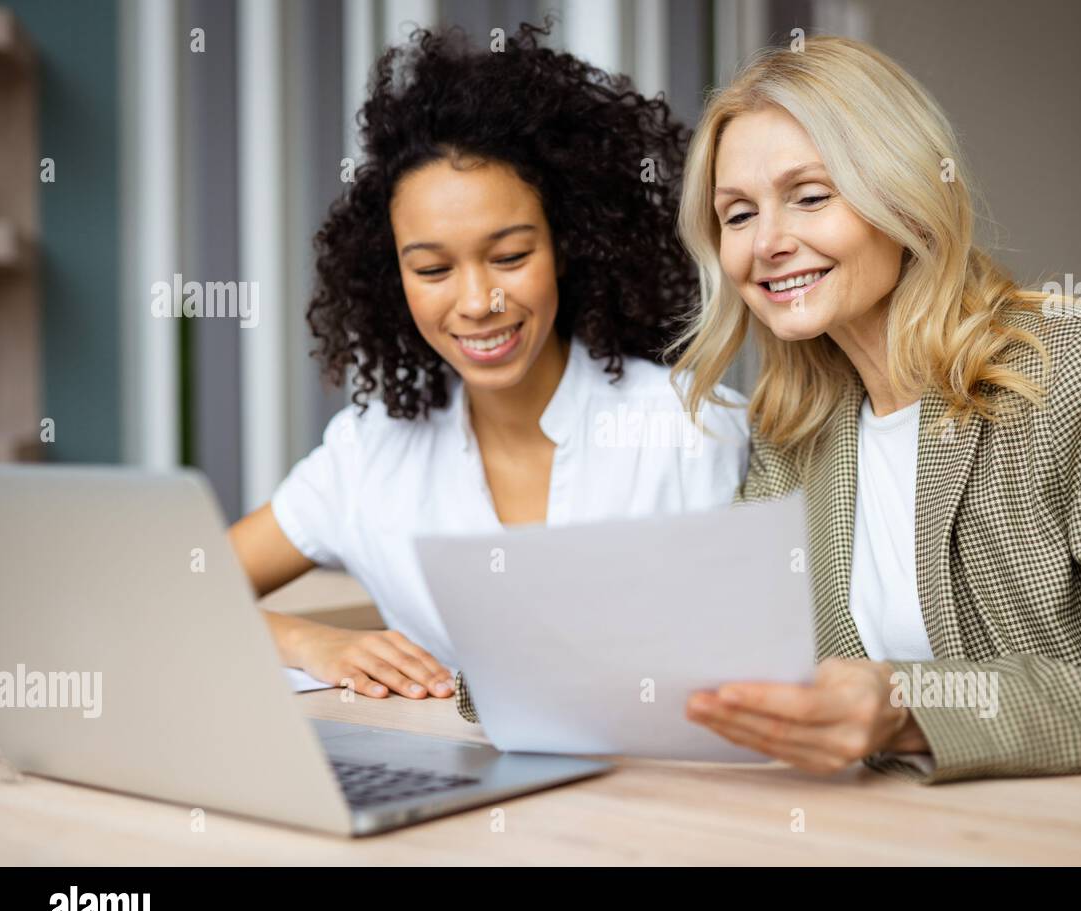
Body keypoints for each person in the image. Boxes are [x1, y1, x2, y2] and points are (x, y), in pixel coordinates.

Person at [670, 36, 1081, 784]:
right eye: (737, 215)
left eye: (811, 196)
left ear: (901, 193)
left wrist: (911, 705)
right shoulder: (793, 431)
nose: (767, 242)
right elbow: (746, 666)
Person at [230, 22, 747, 702]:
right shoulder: (368, 455)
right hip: (461, 798)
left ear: (567, 245)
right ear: (395, 278)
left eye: (510, 257)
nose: (478, 301)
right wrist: (309, 642)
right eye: (433, 267)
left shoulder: (693, 430)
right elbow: (174, 585)